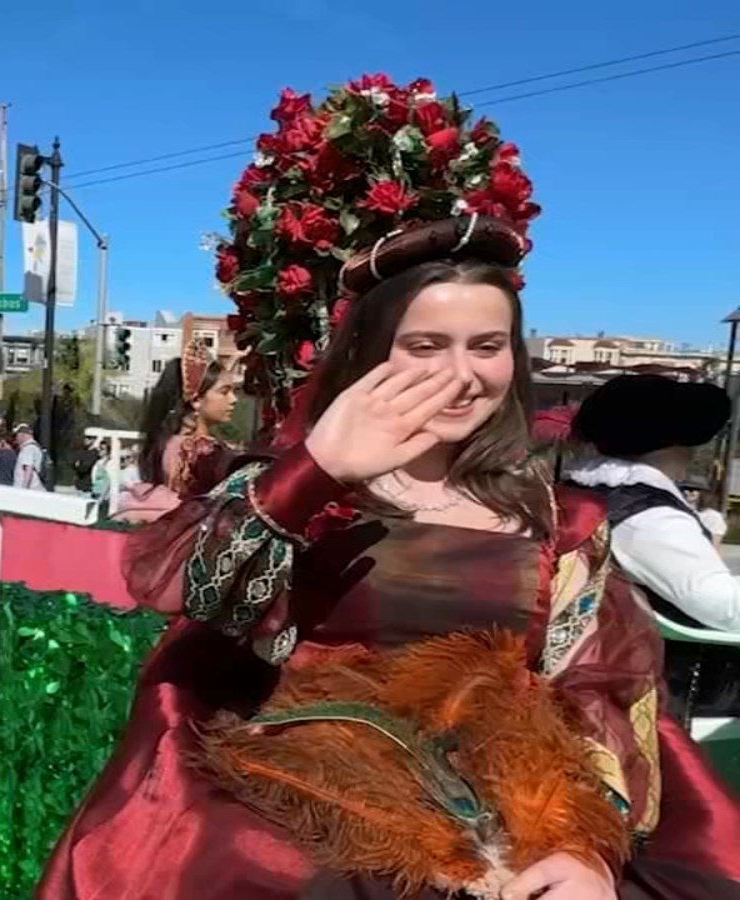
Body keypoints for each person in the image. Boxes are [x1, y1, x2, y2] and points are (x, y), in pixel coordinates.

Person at [38, 216, 740, 899]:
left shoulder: (561, 521)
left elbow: (598, 694)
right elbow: (183, 588)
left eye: (487, 346)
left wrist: (585, 850)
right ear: (372, 356)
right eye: (425, 346)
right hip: (303, 805)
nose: (460, 375)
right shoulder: (294, 490)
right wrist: (317, 470)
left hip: (512, 816)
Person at [565, 374, 740, 725]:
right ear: (676, 443)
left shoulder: (590, 491)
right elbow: (721, 605)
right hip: (684, 684)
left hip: (618, 667)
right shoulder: (650, 517)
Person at [112, 355, 238, 523]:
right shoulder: (200, 450)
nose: (234, 399)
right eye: (224, 392)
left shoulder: (168, 442)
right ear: (196, 400)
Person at [15, 422, 47, 490]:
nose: (16, 438)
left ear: (22, 435)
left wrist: (23, 490)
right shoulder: (35, 447)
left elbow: (28, 470)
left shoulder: (28, 449)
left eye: (17, 435)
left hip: (29, 490)